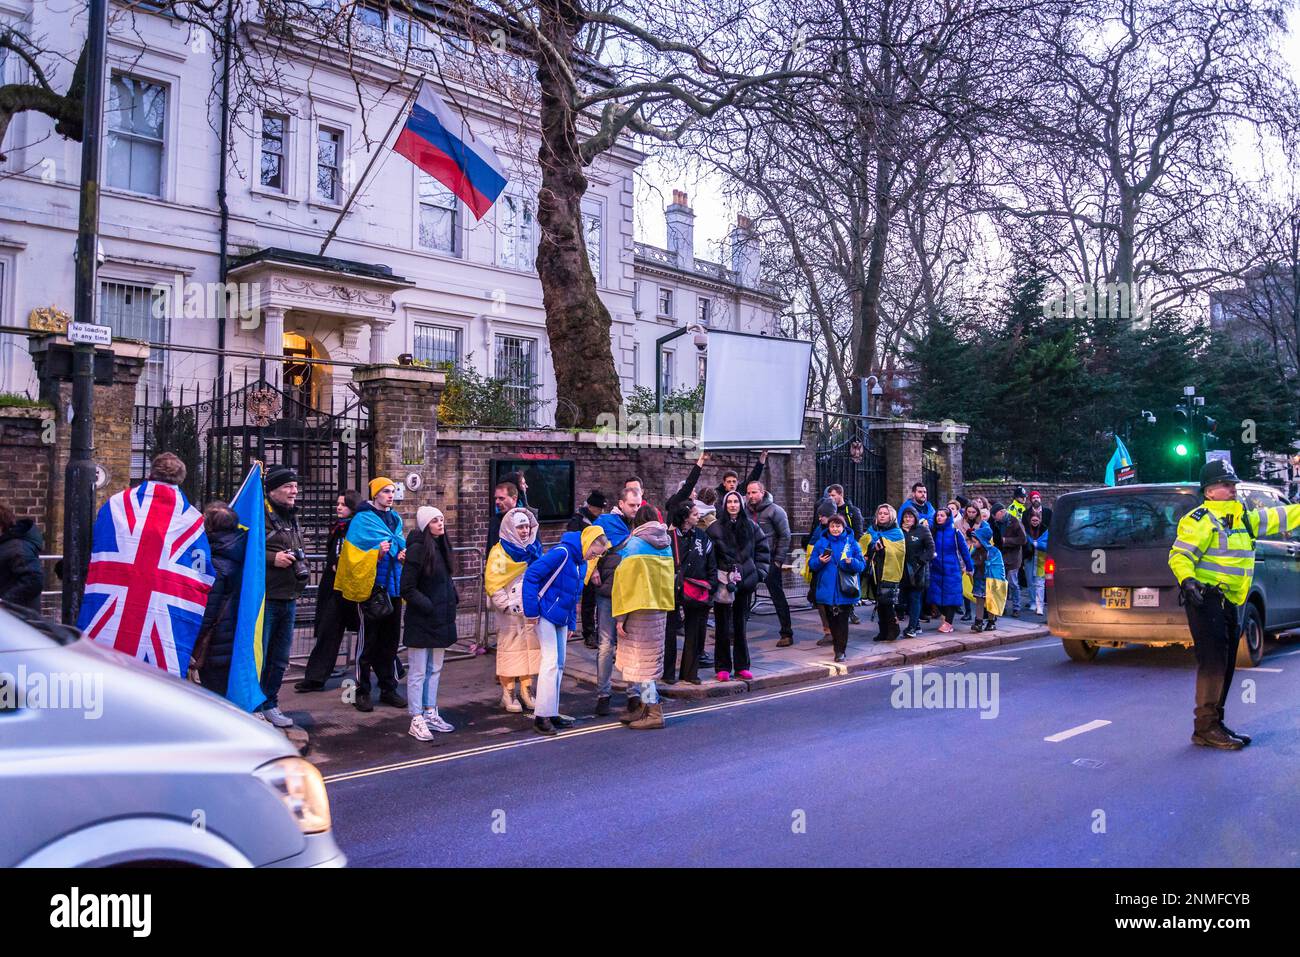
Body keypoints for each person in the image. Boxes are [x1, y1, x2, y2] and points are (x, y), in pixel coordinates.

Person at [1168, 459, 1300, 749]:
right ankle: (1205, 727)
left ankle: (1214, 723)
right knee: (1214, 664)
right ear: (1209, 490)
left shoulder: (1244, 518)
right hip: (1206, 599)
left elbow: (1284, 516)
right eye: (1226, 484)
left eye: (1233, 483)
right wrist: (1187, 580)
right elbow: (1179, 555)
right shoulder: (1200, 519)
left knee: (1226, 664)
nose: (1232, 488)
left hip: (1232, 600)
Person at [524, 523, 609, 736]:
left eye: (596, 556)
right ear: (588, 543)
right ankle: (541, 716)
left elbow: (574, 597)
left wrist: (572, 623)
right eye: (593, 553)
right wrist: (531, 611)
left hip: (560, 617)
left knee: (559, 664)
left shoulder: (580, 562)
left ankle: (551, 711)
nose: (593, 558)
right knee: (551, 662)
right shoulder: (561, 553)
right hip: (544, 613)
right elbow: (532, 575)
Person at [335, 477, 407, 713]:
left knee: (390, 642)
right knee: (367, 643)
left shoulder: (395, 518)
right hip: (372, 590)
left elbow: (398, 543)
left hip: (394, 588)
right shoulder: (362, 520)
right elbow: (351, 556)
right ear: (375, 494)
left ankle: (388, 687)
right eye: (386, 491)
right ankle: (361, 691)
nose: (390, 495)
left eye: (393, 491)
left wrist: (400, 553)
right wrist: (375, 554)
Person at [613, 505, 675, 729]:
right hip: (658, 609)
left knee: (643, 665)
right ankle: (644, 706)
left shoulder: (634, 544)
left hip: (637, 610)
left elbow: (624, 584)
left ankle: (654, 712)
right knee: (648, 661)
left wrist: (620, 617)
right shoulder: (666, 544)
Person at [296, 491, 365, 692]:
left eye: (343, 504)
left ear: (353, 506)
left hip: (353, 587)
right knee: (328, 632)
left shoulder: (359, 527)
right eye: (338, 504)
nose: (339, 507)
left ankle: (385, 673)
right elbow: (333, 552)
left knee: (369, 632)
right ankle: (315, 677)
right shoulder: (337, 528)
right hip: (334, 587)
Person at [401, 506, 458, 739]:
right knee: (418, 672)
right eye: (435, 521)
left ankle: (430, 711)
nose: (440, 524)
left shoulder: (441, 548)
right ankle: (416, 717)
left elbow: (444, 581)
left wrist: (452, 598)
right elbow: (407, 588)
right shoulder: (417, 549)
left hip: (440, 619)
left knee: (434, 669)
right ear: (426, 525)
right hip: (422, 620)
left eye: (442, 520)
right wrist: (428, 606)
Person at [261, 465, 309, 728]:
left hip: (289, 596)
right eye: (288, 487)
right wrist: (272, 558)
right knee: (262, 655)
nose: (294, 491)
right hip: (267, 598)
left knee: (279, 658)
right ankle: (255, 705)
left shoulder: (291, 516)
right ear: (272, 490)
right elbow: (241, 549)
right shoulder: (260, 515)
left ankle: (271, 703)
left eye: (295, 486)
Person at [485, 507, 543, 713]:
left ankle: (527, 690)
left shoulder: (534, 549)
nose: (525, 530)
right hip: (510, 611)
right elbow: (493, 581)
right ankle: (508, 692)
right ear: (511, 527)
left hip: (530, 609)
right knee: (510, 651)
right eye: (520, 527)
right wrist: (506, 605)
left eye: (527, 526)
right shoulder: (499, 552)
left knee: (530, 650)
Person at [708, 489, 769, 681]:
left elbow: (763, 551)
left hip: (745, 581)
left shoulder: (751, 526)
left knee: (740, 625)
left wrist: (758, 574)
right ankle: (722, 667)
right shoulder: (714, 528)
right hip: (723, 582)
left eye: (736, 502)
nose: (733, 505)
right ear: (724, 506)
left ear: (741, 505)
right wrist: (714, 579)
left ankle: (742, 666)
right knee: (722, 626)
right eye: (729, 502)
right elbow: (709, 557)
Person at [592, 487, 642, 715]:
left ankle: (635, 695)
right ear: (621, 503)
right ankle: (604, 694)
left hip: (632, 592)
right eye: (632, 505)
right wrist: (592, 569)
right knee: (605, 645)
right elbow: (589, 546)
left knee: (631, 646)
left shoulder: (642, 523)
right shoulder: (604, 522)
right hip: (609, 592)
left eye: (638, 505)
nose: (636, 509)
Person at [190, 502, 245, 697]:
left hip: (216, 643)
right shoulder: (242, 552)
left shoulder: (215, 563)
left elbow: (208, 611)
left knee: (214, 696)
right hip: (234, 638)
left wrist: (193, 640)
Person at [667, 500, 716, 685]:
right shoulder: (668, 537)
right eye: (695, 514)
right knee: (669, 632)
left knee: (694, 632)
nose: (699, 517)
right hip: (672, 590)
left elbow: (711, 561)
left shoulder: (702, 537)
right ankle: (668, 673)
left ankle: (690, 673)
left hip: (697, 590)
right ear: (685, 518)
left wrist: (710, 585)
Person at [810, 513, 865, 662]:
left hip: (845, 589)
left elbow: (861, 565)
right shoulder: (821, 543)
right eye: (832, 526)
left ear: (843, 527)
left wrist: (851, 562)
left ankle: (840, 650)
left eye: (838, 526)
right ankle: (837, 644)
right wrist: (820, 561)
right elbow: (811, 564)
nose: (835, 529)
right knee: (832, 622)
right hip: (827, 590)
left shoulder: (852, 543)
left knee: (842, 622)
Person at [746, 478, 794, 645]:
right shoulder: (744, 511)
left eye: (754, 492)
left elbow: (785, 536)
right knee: (744, 596)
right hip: (749, 560)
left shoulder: (775, 511)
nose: (751, 496)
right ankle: (734, 632)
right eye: (748, 492)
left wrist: (778, 561)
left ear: (763, 492)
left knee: (777, 596)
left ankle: (787, 633)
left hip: (770, 560)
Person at [568, 490, 607, 648]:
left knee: (596, 601)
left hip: (597, 565)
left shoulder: (600, 520)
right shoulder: (578, 521)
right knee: (587, 602)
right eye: (599, 508)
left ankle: (598, 632)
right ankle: (588, 633)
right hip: (583, 566)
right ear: (591, 507)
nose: (602, 511)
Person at [927, 506, 973, 634]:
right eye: (938, 515)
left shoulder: (955, 533)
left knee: (951, 598)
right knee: (936, 597)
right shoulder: (932, 532)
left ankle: (948, 622)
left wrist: (969, 567)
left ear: (948, 518)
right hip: (936, 569)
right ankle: (945, 618)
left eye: (942, 515)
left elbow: (964, 551)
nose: (939, 518)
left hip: (952, 569)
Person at [863, 504, 905, 642]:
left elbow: (899, 552)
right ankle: (883, 631)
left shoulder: (897, 533)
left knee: (887, 603)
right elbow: (863, 547)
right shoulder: (872, 530)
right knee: (879, 602)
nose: (882, 515)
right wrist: (872, 546)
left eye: (885, 513)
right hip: (875, 571)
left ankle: (894, 628)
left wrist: (884, 547)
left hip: (889, 571)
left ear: (891, 516)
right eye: (880, 513)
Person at [966, 507, 1006, 632]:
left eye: (975, 541)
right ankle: (978, 621)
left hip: (990, 580)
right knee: (979, 600)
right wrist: (968, 568)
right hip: (979, 579)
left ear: (982, 540)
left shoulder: (994, 552)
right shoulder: (975, 551)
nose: (973, 543)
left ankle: (991, 621)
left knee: (991, 601)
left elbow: (998, 566)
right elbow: (971, 562)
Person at [0, 503, 43, 613]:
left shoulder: (17, 548)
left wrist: (4, 602)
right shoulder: (7, 545)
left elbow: (33, 580)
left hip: (18, 618)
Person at [898, 508, 935, 637]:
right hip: (902, 570)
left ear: (915, 518)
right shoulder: (898, 531)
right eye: (905, 516)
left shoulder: (922, 530)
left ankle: (912, 628)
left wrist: (920, 561)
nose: (908, 519)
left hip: (918, 570)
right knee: (906, 599)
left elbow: (931, 549)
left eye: (910, 516)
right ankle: (916, 624)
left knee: (915, 597)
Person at [993, 502, 1027, 616]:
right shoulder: (996, 523)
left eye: (995, 514)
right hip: (1001, 557)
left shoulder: (1015, 522)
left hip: (1013, 558)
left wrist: (1006, 541)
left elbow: (1023, 540)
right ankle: (1003, 606)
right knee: (1002, 583)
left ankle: (1016, 608)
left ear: (1002, 512)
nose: (994, 517)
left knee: (1013, 583)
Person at [1024, 509, 1049, 616]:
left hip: (1041, 559)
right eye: (1033, 520)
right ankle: (1033, 601)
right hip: (1029, 557)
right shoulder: (1026, 530)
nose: (1034, 522)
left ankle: (1040, 606)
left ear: (1040, 520)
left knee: (1040, 583)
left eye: (1036, 520)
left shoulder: (1045, 530)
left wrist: (1036, 544)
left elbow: (1048, 544)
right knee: (1030, 581)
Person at [485, 480, 520, 558]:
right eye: (496, 498)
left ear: (514, 499)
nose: (497, 502)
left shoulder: (526, 520)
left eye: (501, 498)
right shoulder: (494, 521)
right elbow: (490, 551)